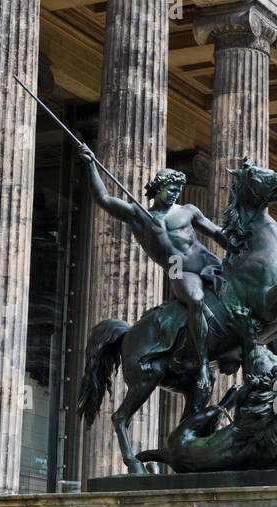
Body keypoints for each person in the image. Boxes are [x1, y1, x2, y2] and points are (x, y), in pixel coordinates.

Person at [78, 143, 230, 392]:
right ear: (158, 188)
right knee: (195, 299)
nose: (174, 194)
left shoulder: (188, 211)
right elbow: (104, 199)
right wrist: (92, 164)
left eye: (178, 190)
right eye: (170, 188)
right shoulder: (141, 216)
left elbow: (214, 231)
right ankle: (203, 362)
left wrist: (234, 240)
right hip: (176, 265)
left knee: (244, 296)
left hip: (206, 260)